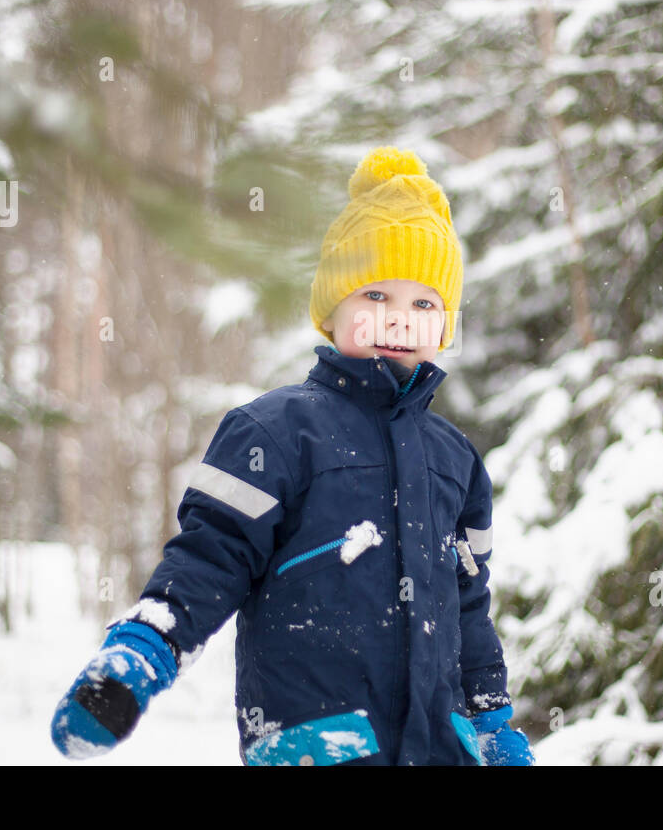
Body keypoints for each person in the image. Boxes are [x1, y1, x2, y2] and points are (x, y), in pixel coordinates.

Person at [50, 146, 534, 765]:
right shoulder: (275, 433)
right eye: (376, 296)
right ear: (333, 310)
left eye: (424, 303)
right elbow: (211, 558)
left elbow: (469, 601)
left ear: (443, 324)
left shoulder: (456, 460)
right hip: (318, 748)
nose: (399, 320)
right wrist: (140, 657)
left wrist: (491, 725)